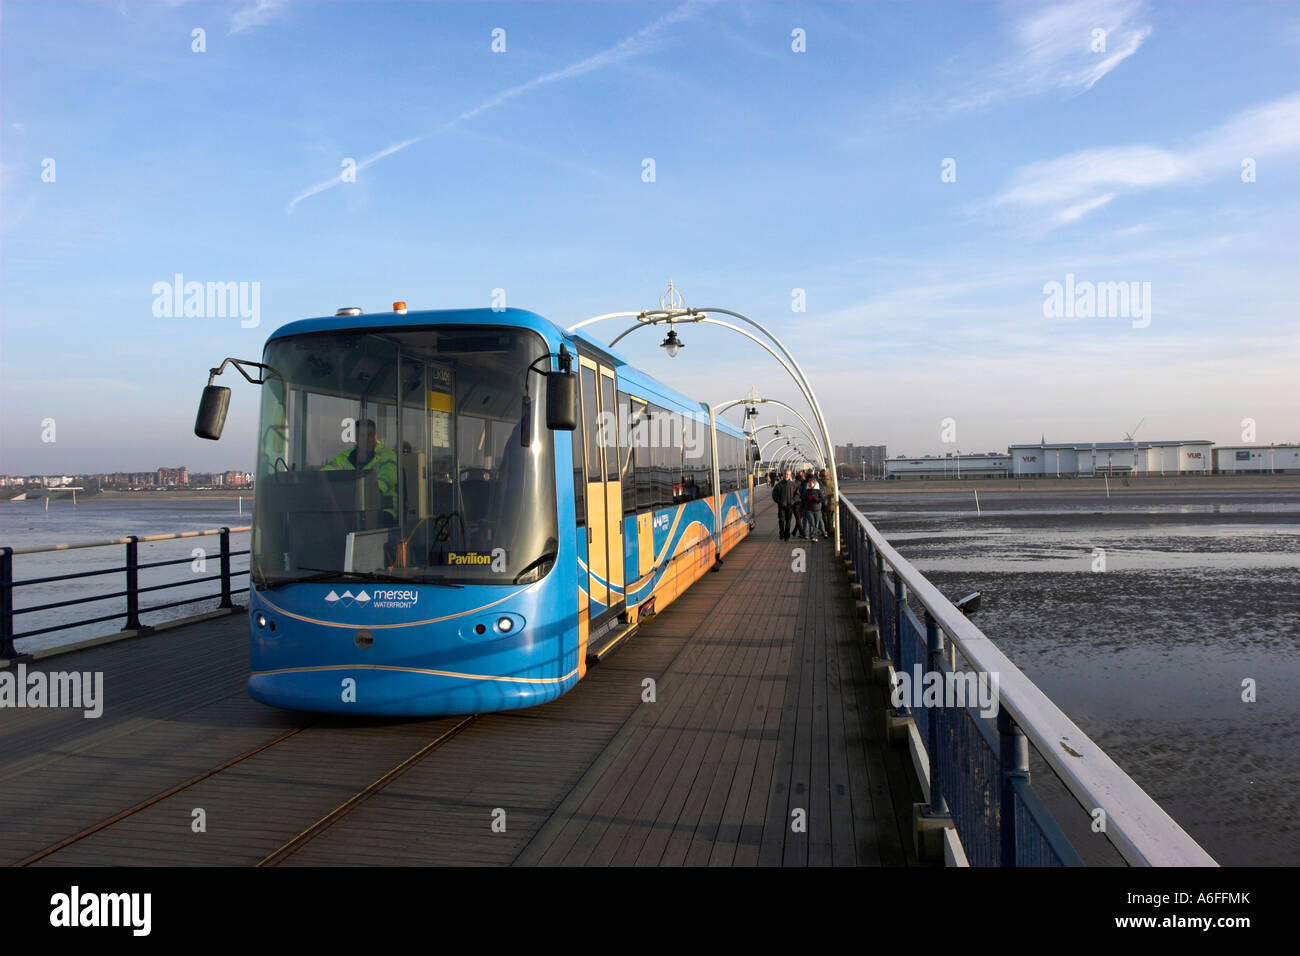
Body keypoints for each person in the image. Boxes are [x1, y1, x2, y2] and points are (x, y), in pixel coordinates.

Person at [324, 418, 398, 525]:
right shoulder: (345, 456)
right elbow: (326, 474)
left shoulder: (387, 455)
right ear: (356, 438)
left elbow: (387, 479)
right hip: (353, 509)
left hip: (384, 511)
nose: (367, 439)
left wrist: (366, 492)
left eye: (370, 435)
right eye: (363, 436)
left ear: (375, 436)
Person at [772, 468, 798, 541]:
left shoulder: (793, 485)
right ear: (783, 475)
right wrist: (779, 501)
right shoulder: (779, 485)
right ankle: (781, 533)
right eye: (785, 474)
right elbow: (774, 495)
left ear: (790, 475)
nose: (786, 475)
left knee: (788, 521)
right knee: (781, 520)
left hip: (790, 506)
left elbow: (797, 494)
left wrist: (793, 501)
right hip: (781, 506)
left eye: (788, 474)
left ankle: (787, 535)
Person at [801, 474, 824, 541]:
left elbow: (822, 499)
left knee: (816, 524)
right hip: (809, 509)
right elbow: (803, 498)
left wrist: (815, 498)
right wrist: (807, 499)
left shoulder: (818, 491)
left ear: (814, 484)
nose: (810, 484)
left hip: (817, 509)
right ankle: (813, 536)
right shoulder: (806, 491)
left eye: (811, 483)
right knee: (812, 523)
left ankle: (814, 536)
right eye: (809, 483)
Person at [819, 468, 836, 538]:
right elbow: (834, 489)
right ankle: (831, 531)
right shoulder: (830, 482)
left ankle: (825, 530)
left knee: (824, 517)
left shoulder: (819, 483)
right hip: (830, 502)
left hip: (822, 502)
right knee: (830, 518)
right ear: (827, 475)